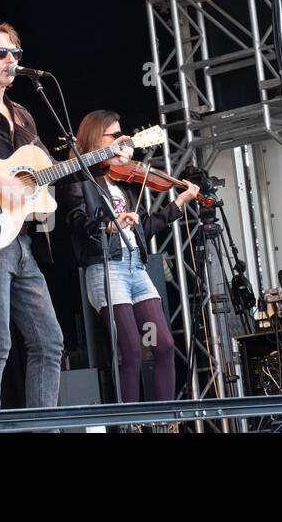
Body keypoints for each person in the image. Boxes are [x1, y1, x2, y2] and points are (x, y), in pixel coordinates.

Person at [0, 19, 130, 410]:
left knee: (50, 342)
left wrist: (103, 161)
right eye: (1, 53)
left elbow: (53, 177)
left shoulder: (25, 116)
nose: (11, 60)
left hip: (21, 242)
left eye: (15, 53)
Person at [60, 110, 201, 403]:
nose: (123, 142)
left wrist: (179, 203)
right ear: (96, 138)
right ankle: (131, 424)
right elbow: (76, 220)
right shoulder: (78, 177)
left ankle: (164, 422)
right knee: (131, 351)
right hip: (106, 269)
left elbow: (144, 227)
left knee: (163, 345)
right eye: (115, 136)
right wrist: (109, 225)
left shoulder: (123, 183)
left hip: (136, 268)